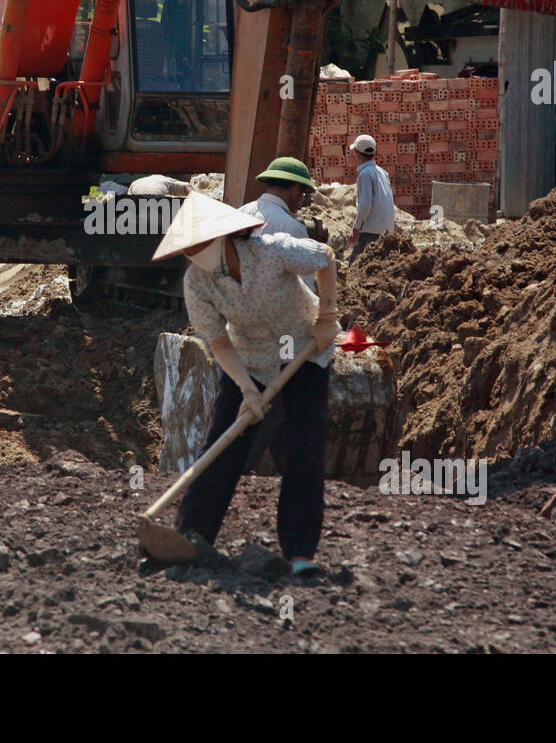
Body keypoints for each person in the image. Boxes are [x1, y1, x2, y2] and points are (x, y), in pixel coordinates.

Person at [151, 191, 341, 576]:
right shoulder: (197, 284)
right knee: (221, 447)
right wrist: (247, 389)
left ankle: (300, 553)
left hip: (303, 354)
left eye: (199, 246)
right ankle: (191, 536)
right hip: (249, 362)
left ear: (221, 237)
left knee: (304, 451)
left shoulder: (270, 250)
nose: (194, 254)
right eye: (188, 249)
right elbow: (218, 341)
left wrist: (327, 315)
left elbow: (325, 258)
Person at [348, 134, 395, 262]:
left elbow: (364, 206)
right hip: (387, 229)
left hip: (371, 230)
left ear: (357, 153)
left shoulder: (365, 174)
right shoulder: (382, 172)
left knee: (354, 264)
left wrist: (356, 228)